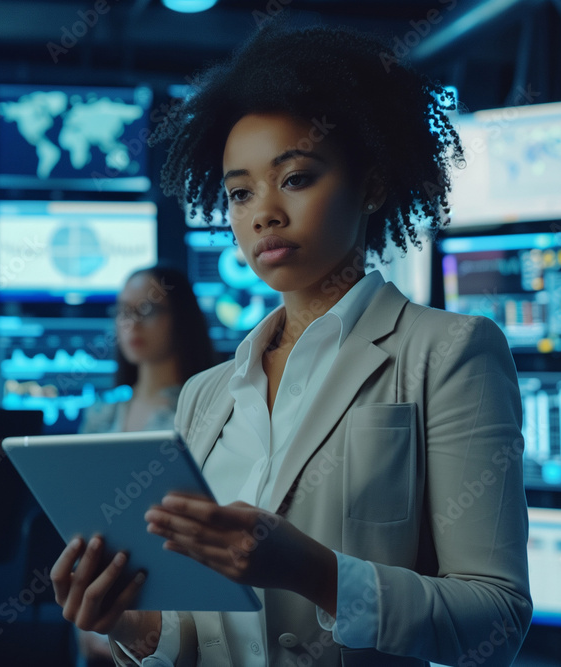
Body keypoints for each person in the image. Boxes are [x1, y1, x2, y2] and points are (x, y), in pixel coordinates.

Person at [50, 22, 533, 667]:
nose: (263, 214)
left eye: (296, 178)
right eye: (240, 192)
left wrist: (317, 572)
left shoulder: (449, 352)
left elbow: (495, 617)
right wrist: (130, 628)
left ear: (371, 185)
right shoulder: (206, 394)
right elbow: (193, 634)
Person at [74, 264, 216, 665]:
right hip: (99, 594)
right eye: (123, 311)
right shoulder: (100, 416)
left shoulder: (203, 412)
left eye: (148, 310)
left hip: (177, 601)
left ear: (181, 319)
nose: (131, 323)